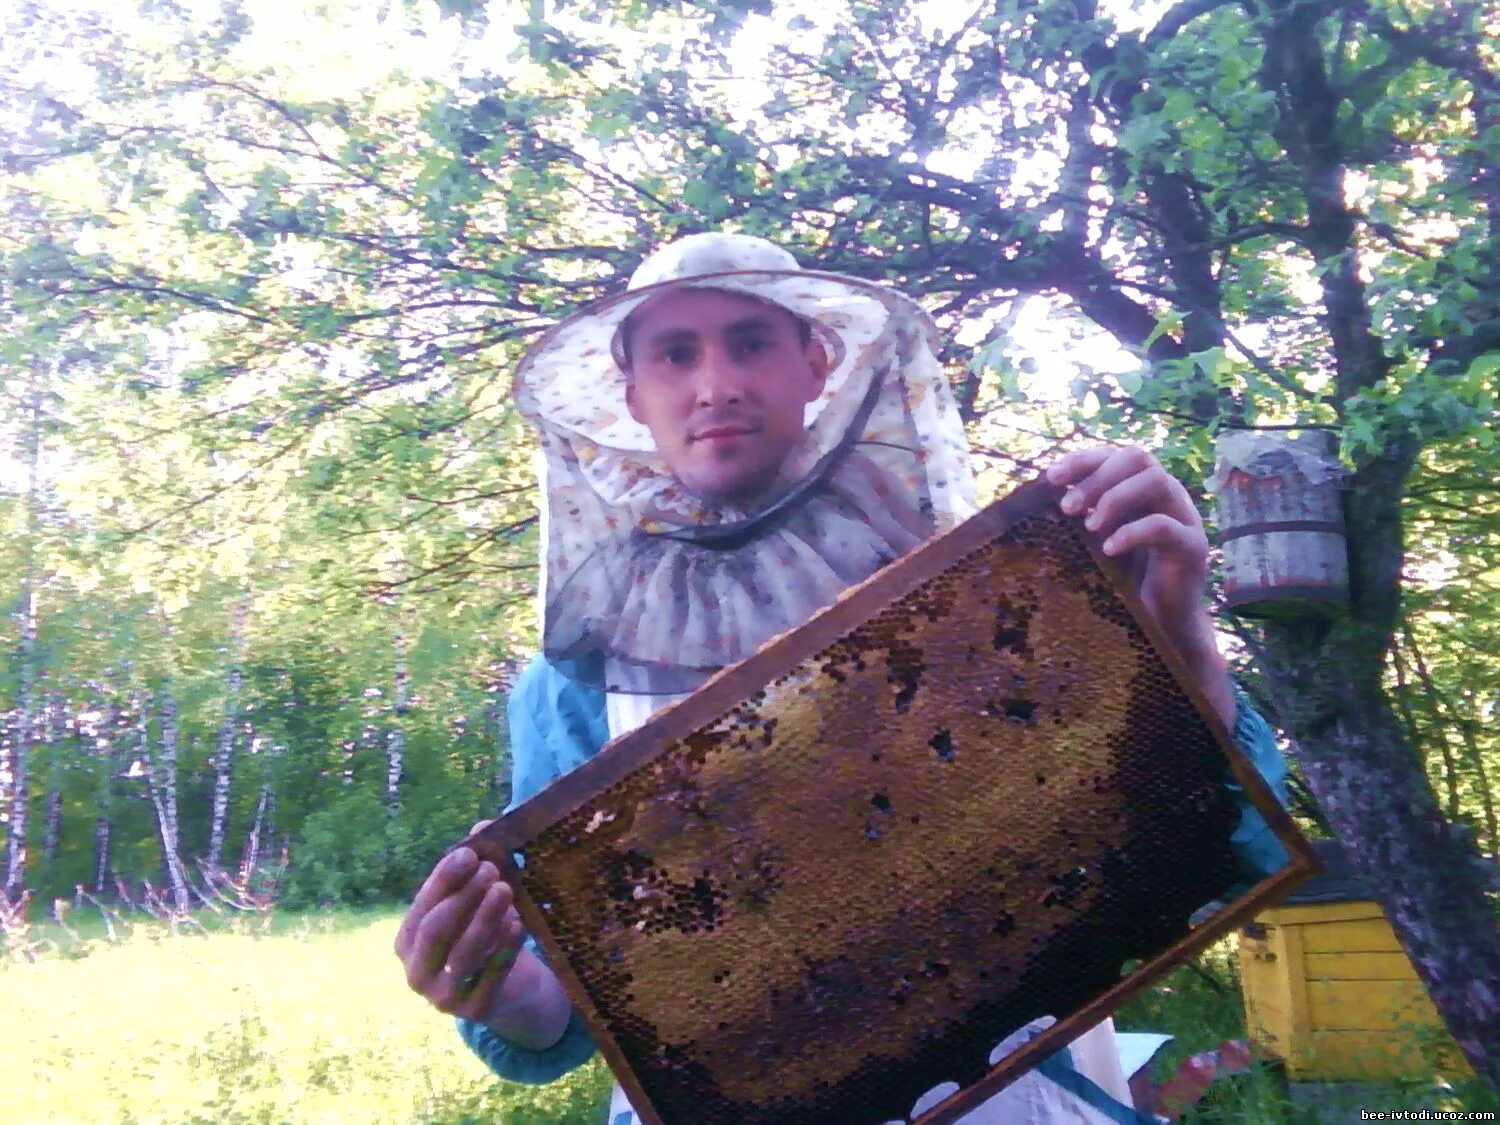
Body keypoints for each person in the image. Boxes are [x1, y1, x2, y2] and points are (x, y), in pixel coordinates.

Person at [393, 232, 1290, 1123]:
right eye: (675, 353)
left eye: (751, 342)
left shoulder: (998, 590)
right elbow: (579, 1008)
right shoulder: (574, 681)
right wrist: (505, 990)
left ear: (817, 362)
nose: (717, 384)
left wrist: (1183, 636)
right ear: (632, 393)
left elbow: (1221, 839)